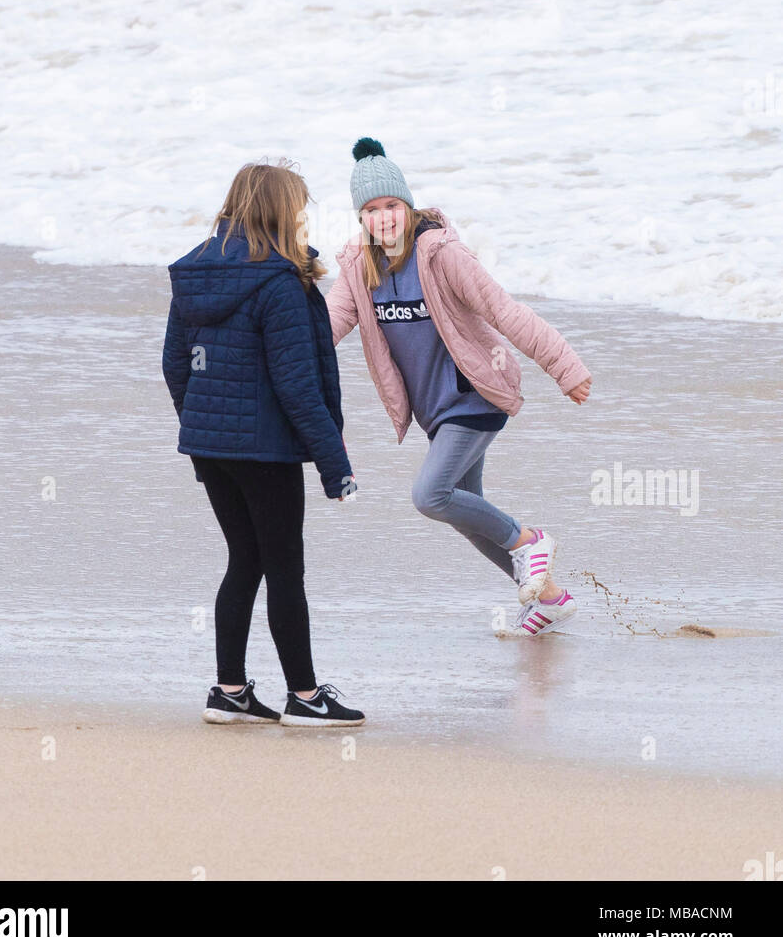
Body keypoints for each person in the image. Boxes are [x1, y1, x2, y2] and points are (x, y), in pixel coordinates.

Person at [325, 137, 592, 636]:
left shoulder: (441, 254)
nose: (383, 217)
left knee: (431, 496)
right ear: (360, 217)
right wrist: (266, 355)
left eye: (392, 206)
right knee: (465, 514)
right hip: (437, 412)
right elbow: (327, 326)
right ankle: (550, 599)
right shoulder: (359, 267)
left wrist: (565, 366)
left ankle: (530, 540)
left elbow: (504, 311)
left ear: (407, 207)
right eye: (371, 209)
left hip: (475, 393)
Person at [162, 159, 364, 724]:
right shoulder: (278, 282)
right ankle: (305, 696)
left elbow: (175, 364)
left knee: (244, 560)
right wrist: (335, 465)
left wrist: (201, 426)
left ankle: (229, 691)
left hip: (211, 445)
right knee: (284, 569)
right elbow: (297, 386)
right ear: (279, 210)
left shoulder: (197, 273)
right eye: (298, 208)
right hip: (265, 450)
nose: (302, 219)